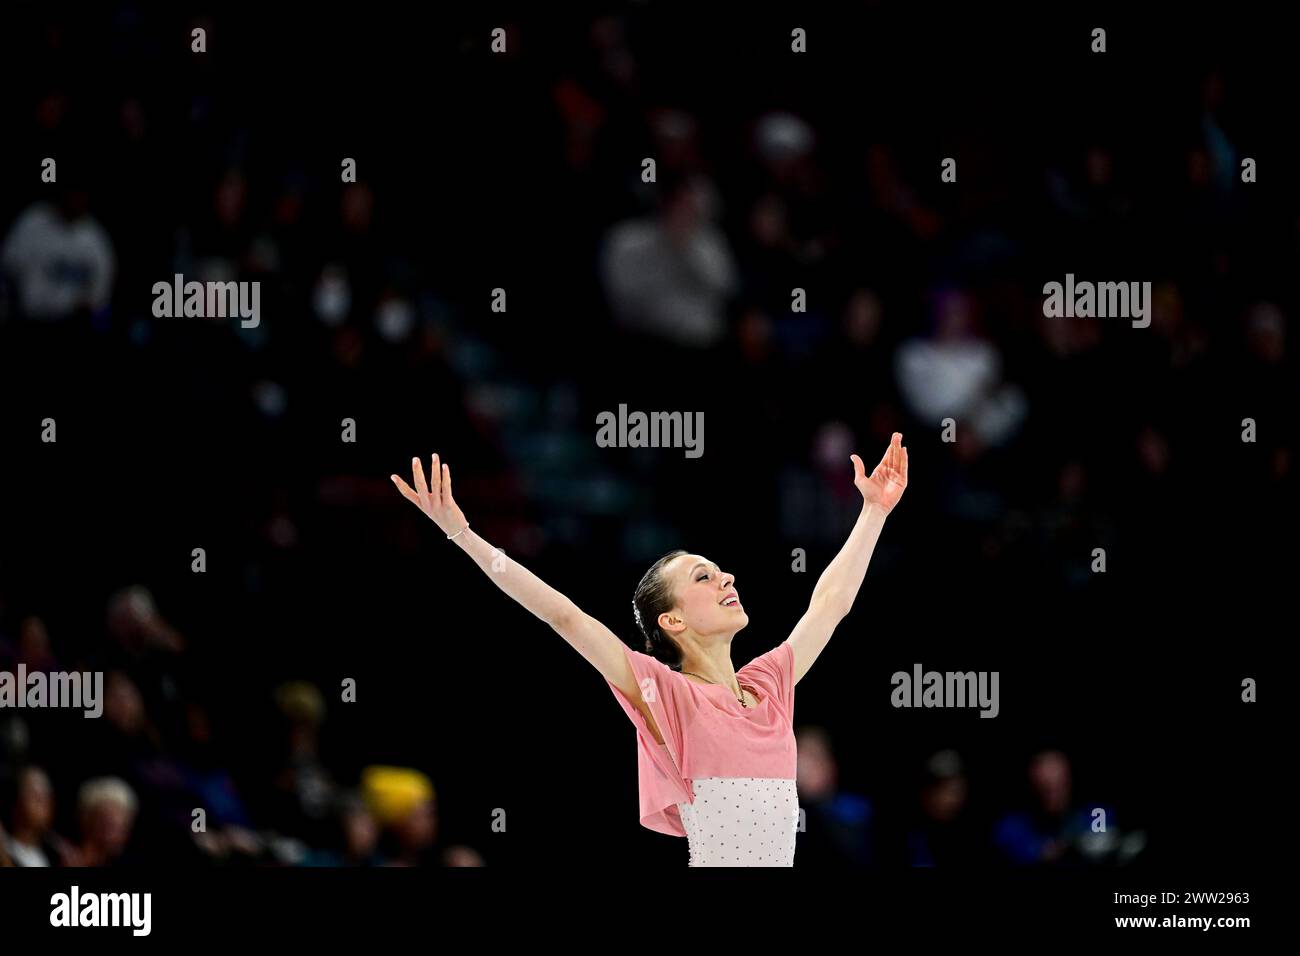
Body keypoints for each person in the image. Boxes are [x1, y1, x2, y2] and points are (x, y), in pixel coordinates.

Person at [390, 434, 908, 866]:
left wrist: (873, 512)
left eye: (720, 569)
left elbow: (831, 603)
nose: (726, 576)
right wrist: (462, 533)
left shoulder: (767, 685)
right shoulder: (667, 693)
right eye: (703, 577)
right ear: (673, 620)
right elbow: (562, 615)